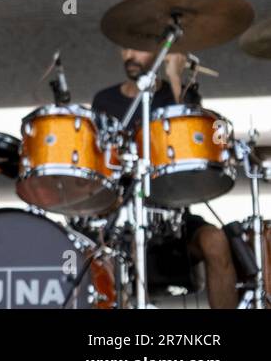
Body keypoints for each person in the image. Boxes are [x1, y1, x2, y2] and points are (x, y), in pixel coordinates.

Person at [93, 47, 270, 307]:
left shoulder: (181, 93)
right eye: (126, 48)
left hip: (175, 214)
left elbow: (195, 137)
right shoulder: (105, 100)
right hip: (125, 215)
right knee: (102, 255)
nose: (130, 55)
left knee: (215, 241)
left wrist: (175, 77)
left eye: (139, 49)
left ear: (157, 51)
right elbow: (101, 163)